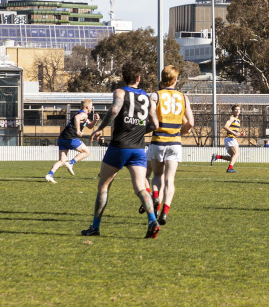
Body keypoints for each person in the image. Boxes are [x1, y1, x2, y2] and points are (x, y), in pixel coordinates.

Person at [81, 61, 160, 239]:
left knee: (104, 185)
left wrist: (100, 127)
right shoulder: (147, 98)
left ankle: (95, 227)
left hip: (119, 146)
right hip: (138, 149)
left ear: (124, 77)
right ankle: (152, 220)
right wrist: (140, 130)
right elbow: (155, 124)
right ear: (139, 78)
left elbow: (115, 110)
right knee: (141, 188)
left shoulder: (120, 92)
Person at [147, 65, 193, 226]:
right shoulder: (183, 97)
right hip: (174, 142)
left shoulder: (156, 95)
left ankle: (155, 197)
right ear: (175, 79)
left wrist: (153, 124)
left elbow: (150, 113)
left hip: (158, 140)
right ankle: (165, 211)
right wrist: (181, 132)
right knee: (170, 179)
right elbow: (191, 123)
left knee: (157, 176)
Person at [46, 99, 98, 183]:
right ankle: (71, 163)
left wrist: (95, 120)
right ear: (87, 107)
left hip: (62, 138)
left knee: (62, 160)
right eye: (92, 105)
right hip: (70, 138)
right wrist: (78, 130)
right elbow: (77, 118)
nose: (92, 107)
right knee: (86, 152)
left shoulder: (81, 114)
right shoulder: (83, 115)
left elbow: (89, 126)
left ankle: (49, 175)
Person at [211, 105, 243, 173]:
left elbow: (234, 131)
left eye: (239, 109)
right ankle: (229, 169)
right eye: (236, 109)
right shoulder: (232, 118)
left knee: (233, 157)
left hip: (231, 139)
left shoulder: (238, 120)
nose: (237, 111)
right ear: (233, 111)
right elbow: (225, 126)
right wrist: (234, 133)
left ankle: (217, 156)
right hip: (230, 138)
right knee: (236, 154)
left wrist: (240, 134)